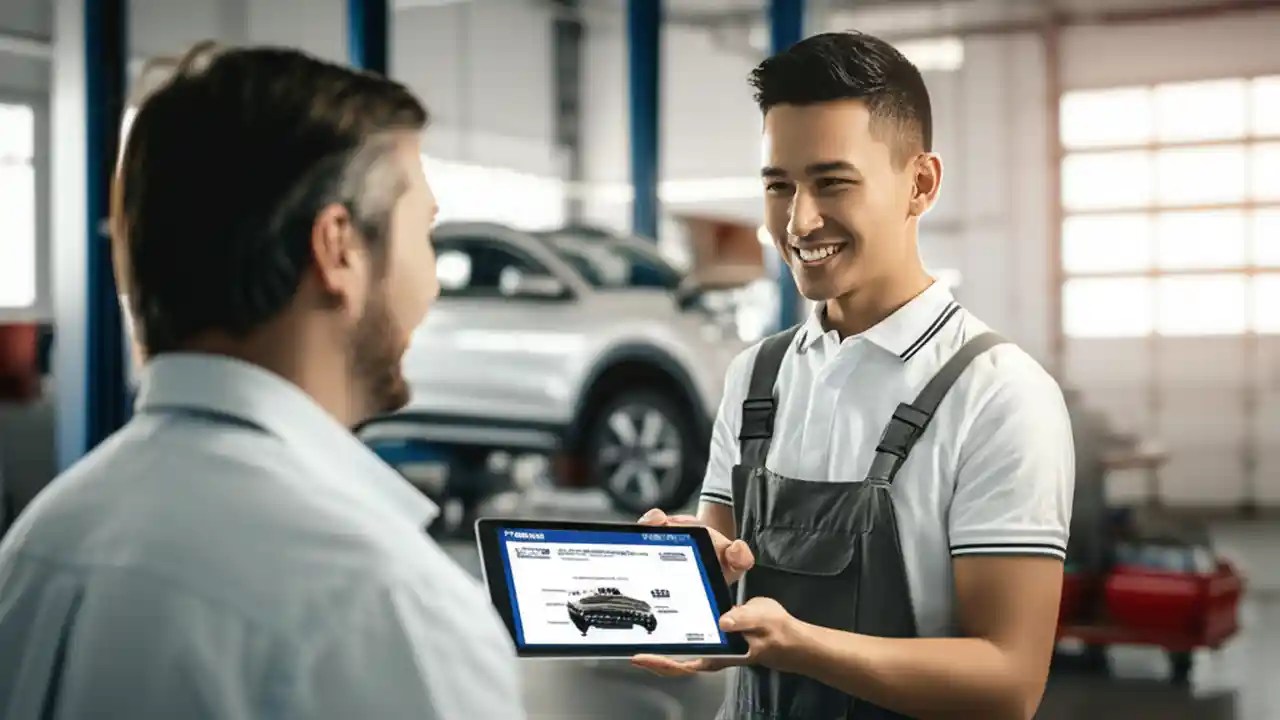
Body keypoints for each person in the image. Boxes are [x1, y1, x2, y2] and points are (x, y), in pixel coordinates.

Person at [0, 44, 524, 719]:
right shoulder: (384, 606)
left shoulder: (36, 550)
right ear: (338, 248)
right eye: (423, 234)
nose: (431, 285)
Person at [635, 31, 1075, 720]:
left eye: (832, 182)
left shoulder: (998, 395)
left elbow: (1008, 680)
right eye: (779, 186)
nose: (799, 221)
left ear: (920, 184)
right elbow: (724, 599)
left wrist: (802, 645)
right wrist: (684, 576)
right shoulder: (757, 376)